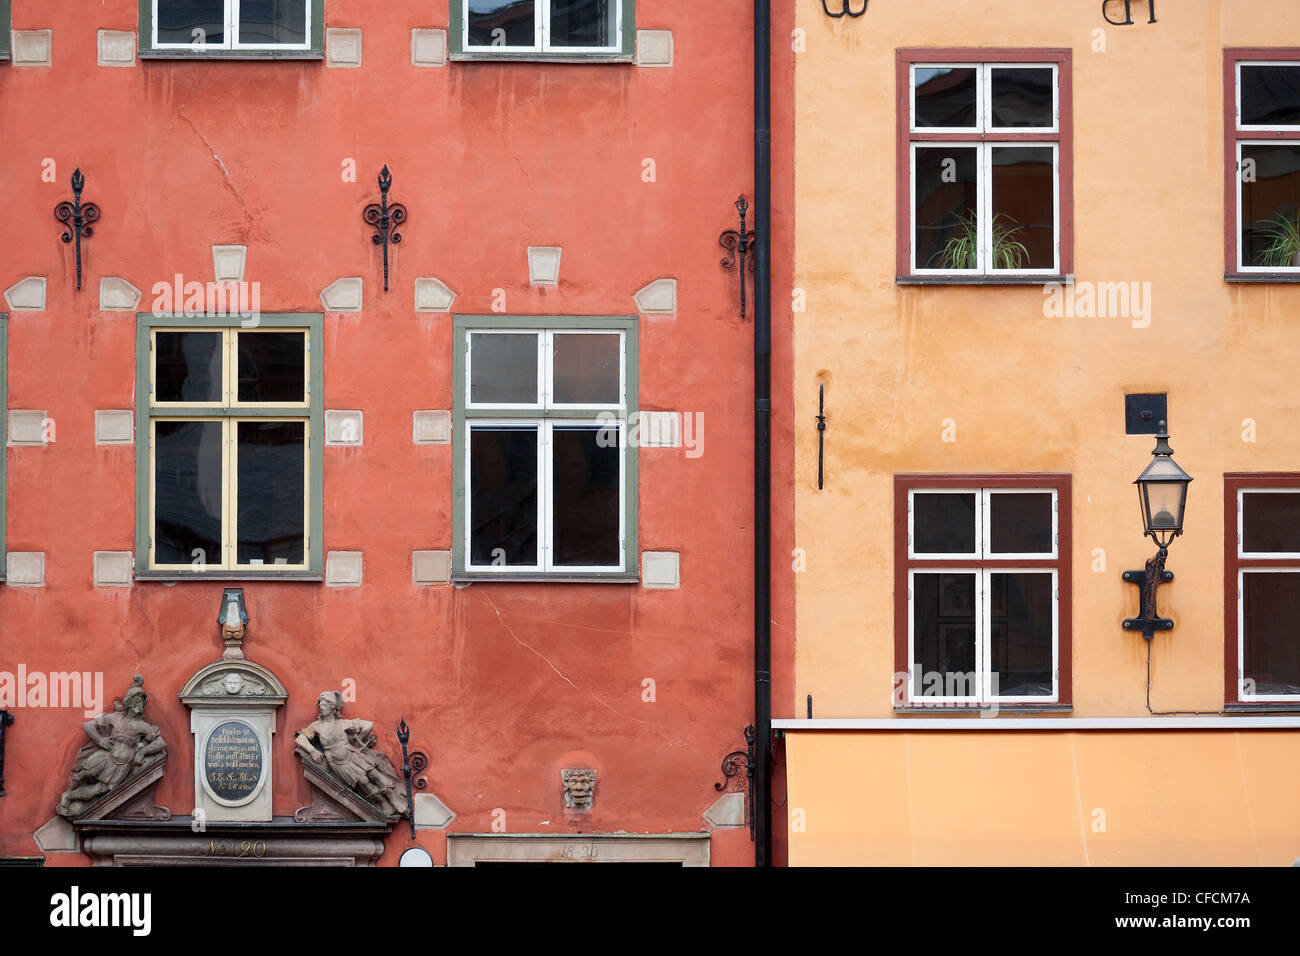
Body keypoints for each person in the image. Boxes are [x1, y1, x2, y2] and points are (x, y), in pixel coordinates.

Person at [57, 675, 166, 818]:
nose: (138, 707)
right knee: (83, 774)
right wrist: (99, 739)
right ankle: (66, 802)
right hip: (106, 756)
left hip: (123, 765)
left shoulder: (142, 726)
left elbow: (161, 742)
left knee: (103, 789)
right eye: (135, 703)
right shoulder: (114, 718)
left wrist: (143, 751)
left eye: (140, 704)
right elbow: (88, 726)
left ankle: (68, 797)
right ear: (129, 704)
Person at [294, 691, 408, 818]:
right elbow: (300, 739)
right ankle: (382, 803)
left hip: (352, 755)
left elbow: (368, 725)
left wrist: (356, 741)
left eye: (323, 704)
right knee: (364, 782)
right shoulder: (317, 726)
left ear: (332, 706)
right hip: (337, 763)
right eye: (320, 705)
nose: (320, 707)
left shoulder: (342, 723)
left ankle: (394, 799)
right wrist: (312, 750)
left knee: (375, 775)